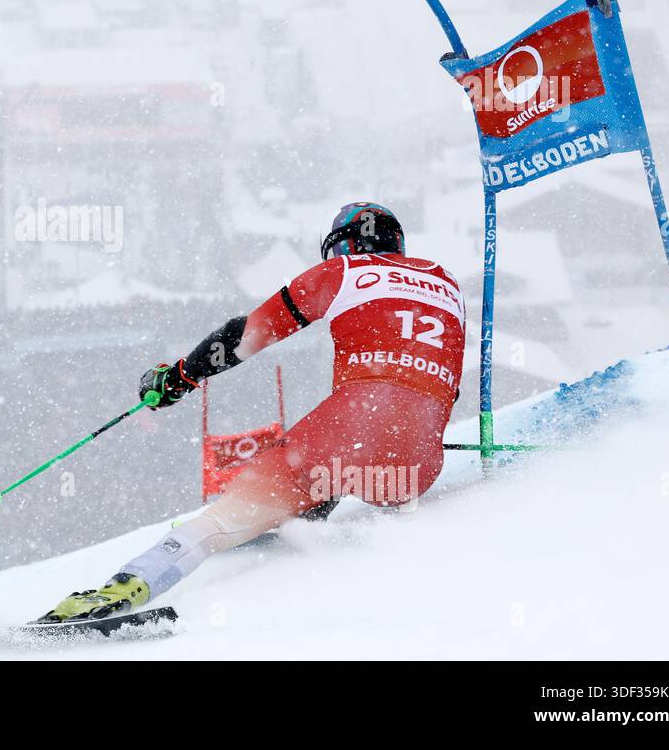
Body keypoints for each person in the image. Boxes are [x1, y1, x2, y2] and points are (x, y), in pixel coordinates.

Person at [37, 202, 466, 623]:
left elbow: (246, 335)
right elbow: (446, 386)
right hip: (416, 470)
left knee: (225, 517)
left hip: (348, 429)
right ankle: (301, 511)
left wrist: (179, 378)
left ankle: (123, 589)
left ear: (345, 247)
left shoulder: (345, 273)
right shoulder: (448, 284)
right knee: (339, 462)